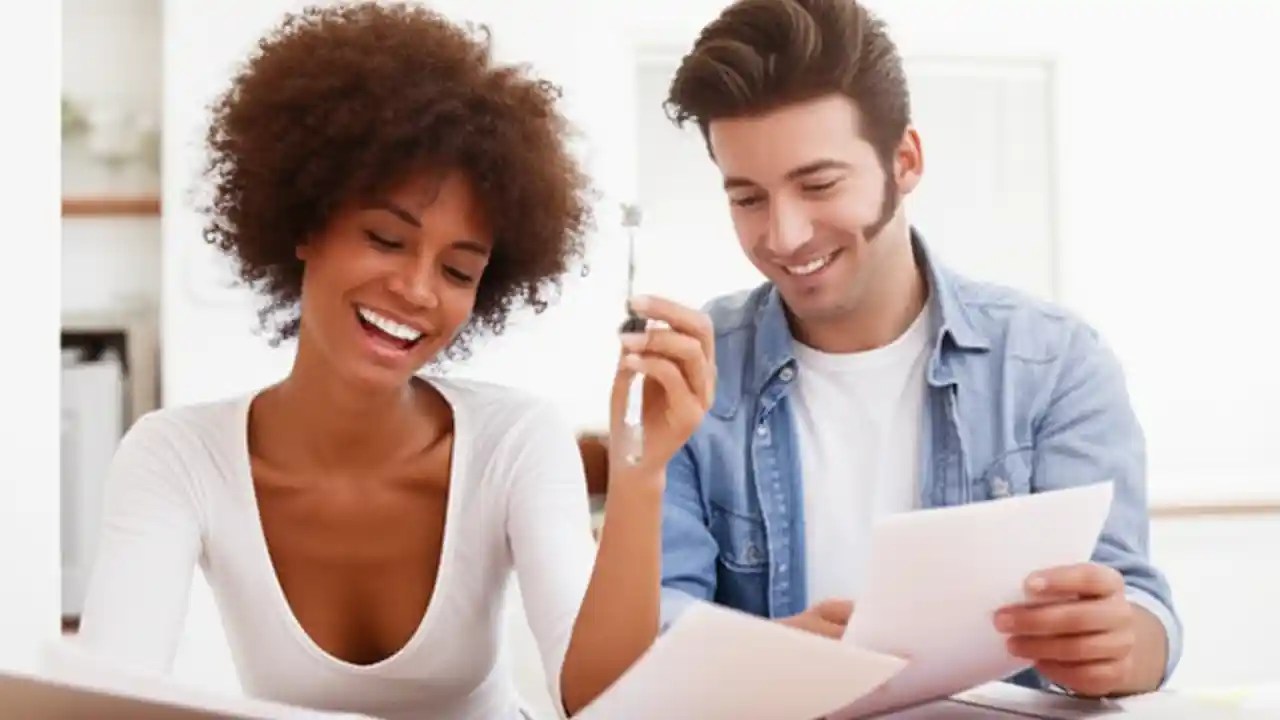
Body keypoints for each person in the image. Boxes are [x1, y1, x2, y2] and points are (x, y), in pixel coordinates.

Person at [73, 4, 715, 719]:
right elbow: (108, 701)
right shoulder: (177, 458)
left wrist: (639, 477)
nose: (416, 290)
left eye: (458, 271)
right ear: (306, 224)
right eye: (385, 238)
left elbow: (604, 706)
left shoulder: (516, 440)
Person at [654, 0, 1181, 699]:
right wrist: (765, 657)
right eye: (748, 198)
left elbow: (1135, 604)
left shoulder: (1052, 362)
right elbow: (651, 620)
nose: (783, 236)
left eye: (818, 185)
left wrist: (1125, 645)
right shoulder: (696, 372)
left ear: (904, 161)